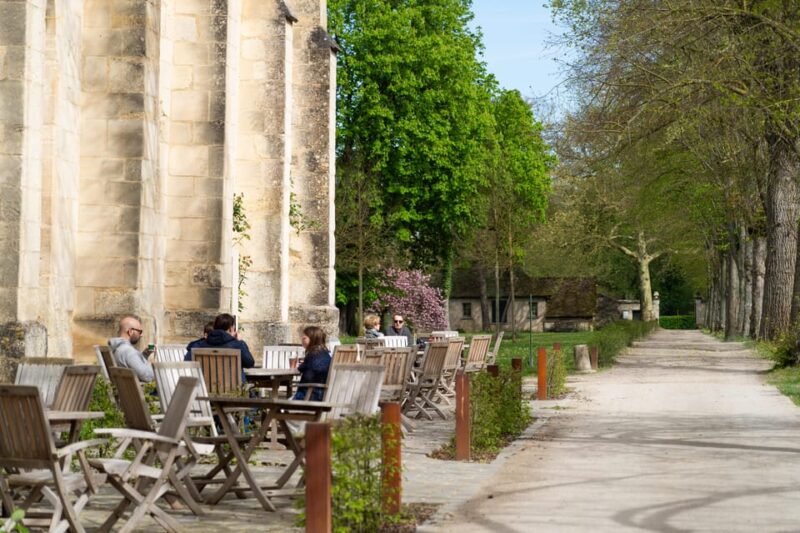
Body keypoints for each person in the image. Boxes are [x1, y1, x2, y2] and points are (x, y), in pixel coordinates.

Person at [184, 313, 255, 369]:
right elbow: (250, 363)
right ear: (231, 329)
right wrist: (241, 341)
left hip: (206, 386)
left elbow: (187, 362)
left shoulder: (198, 345)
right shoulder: (237, 345)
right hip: (233, 387)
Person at [109, 315, 154, 383]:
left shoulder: (116, 348)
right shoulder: (129, 352)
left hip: (123, 390)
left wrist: (144, 356)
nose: (141, 335)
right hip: (136, 392)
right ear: (130, 332)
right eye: (140, 331)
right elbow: (147, 377)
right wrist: (154, 366)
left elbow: (131, 364)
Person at [294, 326, 332, 401]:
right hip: (322, 395)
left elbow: (303, 370)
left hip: (310, 396)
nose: (302, 339)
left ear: (313, 339)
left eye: (304, 338)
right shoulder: (326, 354)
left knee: (277, 405)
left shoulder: (312, 355)